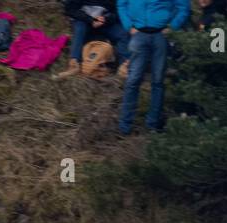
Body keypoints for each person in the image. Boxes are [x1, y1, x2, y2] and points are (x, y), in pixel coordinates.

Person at [116, 0, 190, 135]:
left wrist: (173, 26)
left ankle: (153, 125)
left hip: (160, 36)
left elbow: (183, 7)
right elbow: (121, 4)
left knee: (158, 81)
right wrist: (128, 26)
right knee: (133, 80)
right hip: (138, 35)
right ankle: (124, 127)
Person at [55, 0, 129, 79]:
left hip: (104, 23)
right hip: (84, 21)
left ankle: (124, 67)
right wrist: (90, 20)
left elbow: (116, 12)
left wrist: (106, 18)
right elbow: (70, 9)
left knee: (123, 34)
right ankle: (74, 64)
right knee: (80, 29)